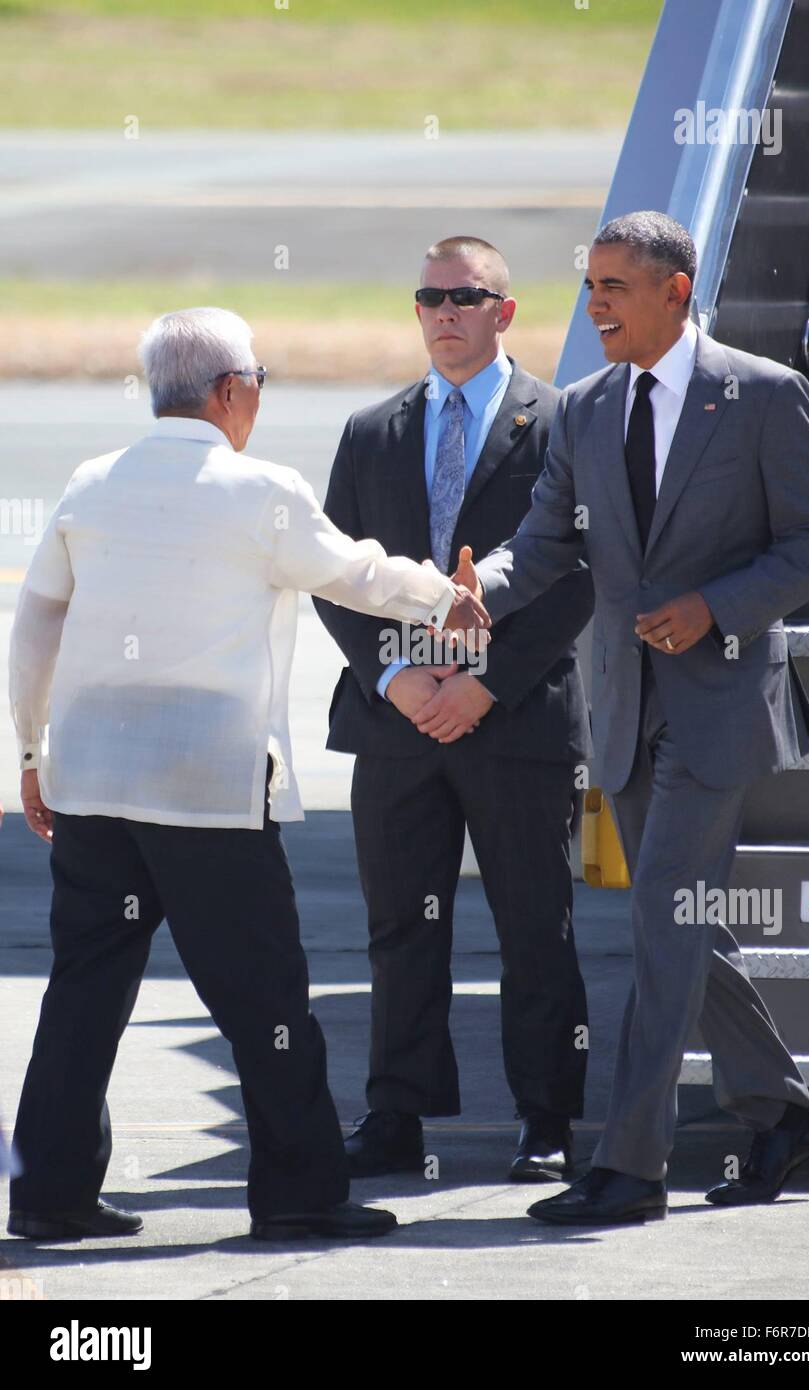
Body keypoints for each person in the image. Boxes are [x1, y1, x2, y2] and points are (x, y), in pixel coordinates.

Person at [6, 306, 486, 1244]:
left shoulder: (90, 483)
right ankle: (302, 1194)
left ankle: (49, 1195)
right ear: (230, 391)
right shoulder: (258, 489)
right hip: (208, 790)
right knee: (264, 1002)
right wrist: (447, 597)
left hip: (95, 786)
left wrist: (31, 753)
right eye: (259, 380)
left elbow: (34, 631)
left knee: (84, 994)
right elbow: (355, 575)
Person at [459, 211, 809, 1225]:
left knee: (658, 921)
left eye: (612, 287)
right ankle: (777, 1113)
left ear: (673, 292)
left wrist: (713, 605)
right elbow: (541, 546)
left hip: (718, 706)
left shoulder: (763, 395)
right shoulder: (584, 409)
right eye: (587, 286)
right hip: (622, 706)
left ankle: (631, 1167)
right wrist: (471, 589)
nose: (592, 305)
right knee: (678, 922)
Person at [314, 237, 594, 1182]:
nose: (443, 312)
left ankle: (547, 1118)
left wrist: (484, 685)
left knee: (534, 923)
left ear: (504, 312)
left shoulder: (562, 419)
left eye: (464, 297)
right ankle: (396, 1114)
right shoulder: (372, 430)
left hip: (512, 715)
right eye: (428, 296)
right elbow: (333, 576)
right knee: (401, 926)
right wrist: (397, 680)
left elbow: (578, 575)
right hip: (395, 721)